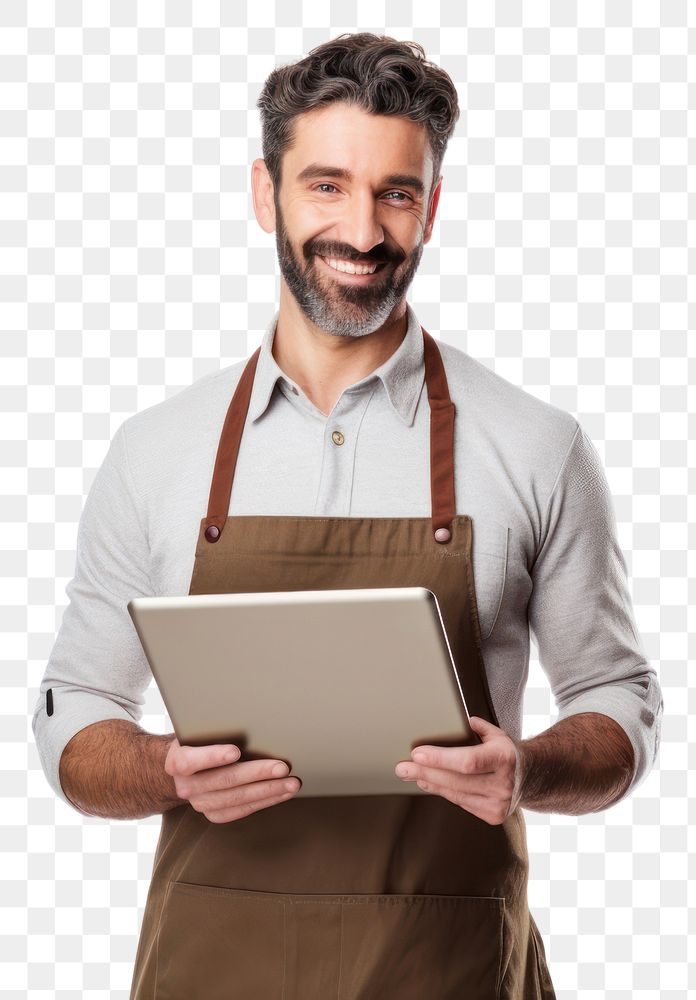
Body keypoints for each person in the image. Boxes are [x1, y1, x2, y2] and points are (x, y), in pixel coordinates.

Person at [32, 32, 663, 999]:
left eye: (395, 193)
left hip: (449, 970)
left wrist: (527, 771)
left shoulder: (537, 446)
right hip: (214, 967)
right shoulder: (157, 451)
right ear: (264, 194)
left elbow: (620, 700)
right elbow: (73, 711)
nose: (362, 232)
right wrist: (165, 768)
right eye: (326, 185)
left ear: (432, 207)